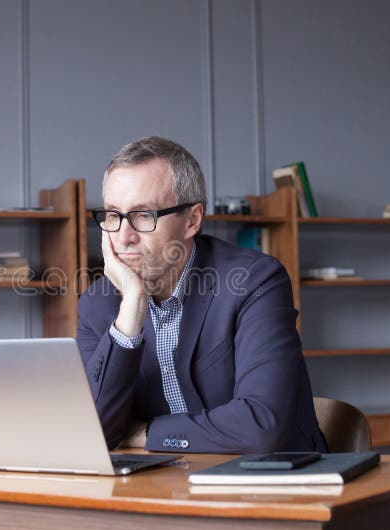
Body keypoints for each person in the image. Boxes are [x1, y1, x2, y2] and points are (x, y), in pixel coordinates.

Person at [77, 136, 327, 454]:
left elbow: (262, 426)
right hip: (164, 489)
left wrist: (149, 432)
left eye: (143, 216)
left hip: (277, 486)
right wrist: (132, 308)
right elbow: (93, 433)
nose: (124, 237)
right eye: (113, 216)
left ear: (192, 220)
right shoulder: (97, 305)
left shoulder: (255, 281)